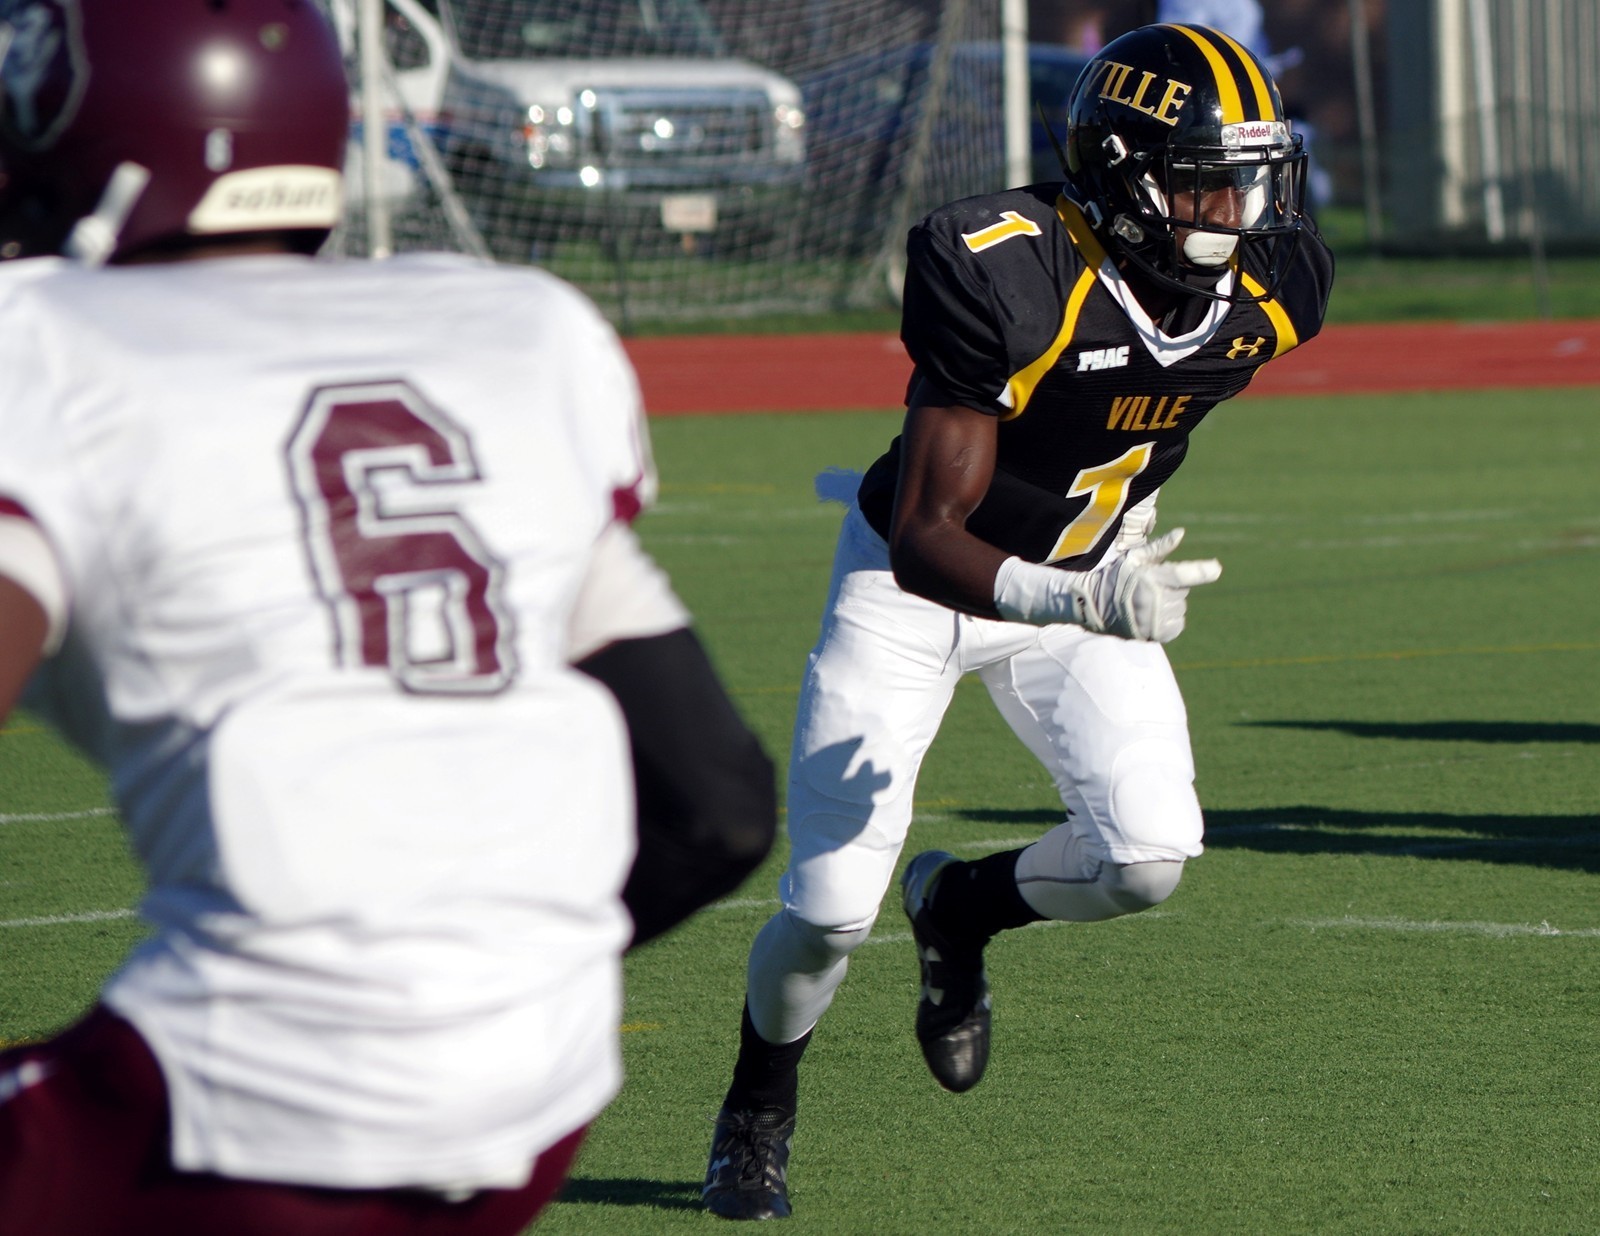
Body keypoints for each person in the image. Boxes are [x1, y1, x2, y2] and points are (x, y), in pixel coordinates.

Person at [0, 2, 775, 1233]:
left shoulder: (43, 348)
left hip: (237, 1094)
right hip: (534, 1086)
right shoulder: (511, 333)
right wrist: (457, 980)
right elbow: (720, 804)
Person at [701, 21, 1333, 1220]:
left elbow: (1148, 395)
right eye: (1203, 178)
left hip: (1083, 581)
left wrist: (1122, 519)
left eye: (1250, 176)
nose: (1239, 209)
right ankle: (756, 1110)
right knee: (828, 910)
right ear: (1118, 176)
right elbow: (928, 533)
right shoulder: (1000, 266)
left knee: (1147, 859)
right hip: (913, 590)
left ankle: (961, 909)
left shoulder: (1274, 285)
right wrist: (1080, 590)